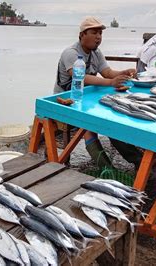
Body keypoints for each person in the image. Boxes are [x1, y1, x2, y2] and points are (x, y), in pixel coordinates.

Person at [54, 16, 140, 168]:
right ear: (82, 35)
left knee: (110, 121)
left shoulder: (96, 53)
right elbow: (80, 77)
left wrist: (123, 73)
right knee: (89, 129)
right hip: (67, 100)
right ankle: (107, 170)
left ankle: (138, 161)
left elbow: (107, 72)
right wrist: (110, 83)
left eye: (100, 34)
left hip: (86, 98)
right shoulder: (71, 53)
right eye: (94, 33)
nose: (98, 37)